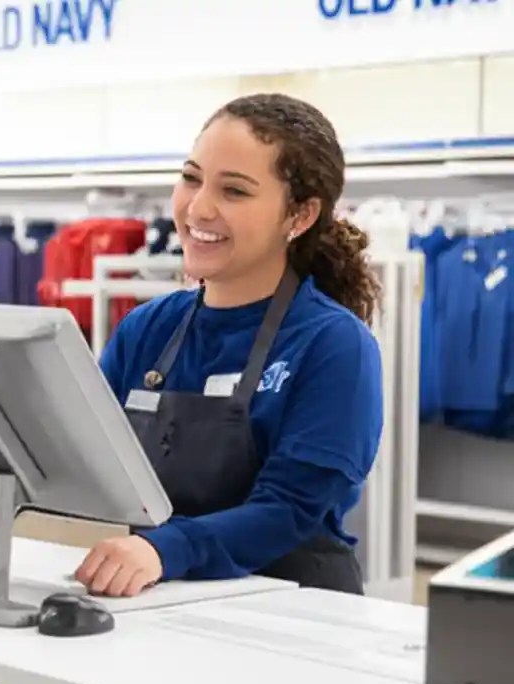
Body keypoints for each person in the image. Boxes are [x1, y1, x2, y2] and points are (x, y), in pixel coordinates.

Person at [74, 93, 383, 598]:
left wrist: (164, 549)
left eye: (234, 191)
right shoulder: (147, 330)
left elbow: (290, 509)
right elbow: (72, 452)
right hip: (159, 603)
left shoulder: (334, 345)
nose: (198, 207)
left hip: (295, 615)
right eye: (191, 178)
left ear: (300, 215)